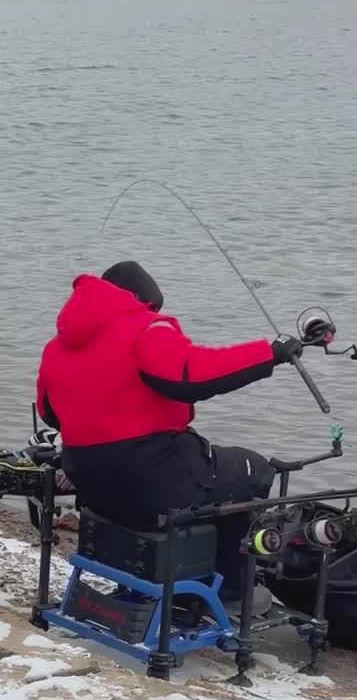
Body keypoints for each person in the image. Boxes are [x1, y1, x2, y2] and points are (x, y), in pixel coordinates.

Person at [35, 260, 303, 612]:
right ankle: (230, 594)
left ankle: (181, 576)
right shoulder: (145, 328)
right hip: (148, 478)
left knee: (213, 473)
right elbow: (190, 375)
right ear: (144, 301)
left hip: (93, 485)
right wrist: (270, 353)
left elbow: (50, 412)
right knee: (252, 471)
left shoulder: (58, 346)